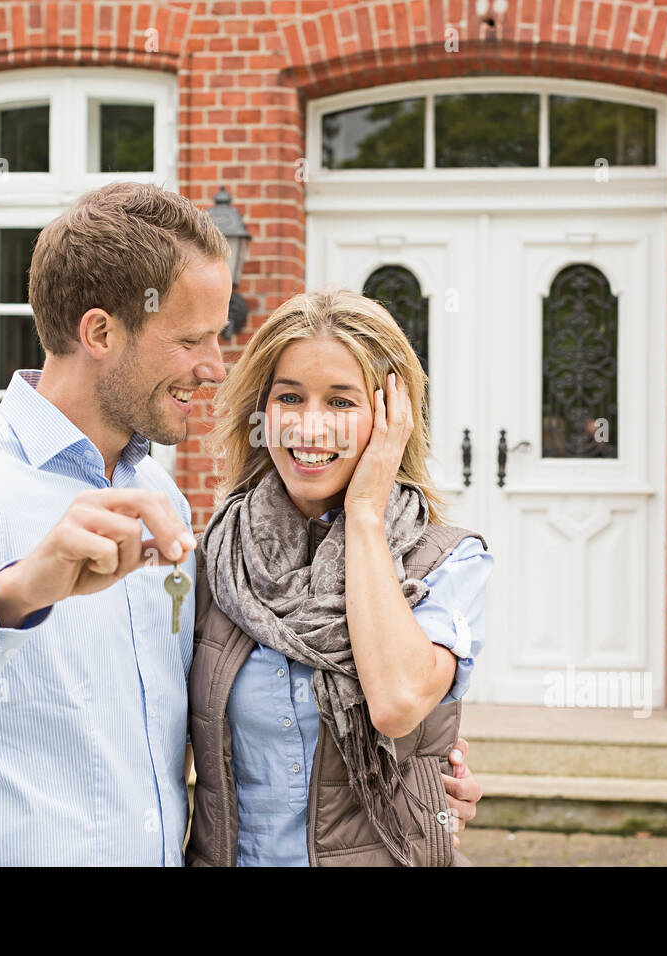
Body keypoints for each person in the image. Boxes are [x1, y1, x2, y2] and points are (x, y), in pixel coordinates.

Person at [0, 182, 482, 865]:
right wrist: (17, 593)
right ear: (101, 332)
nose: (214, 367)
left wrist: (419, 776)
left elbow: (225, 716)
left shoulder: (163, 497)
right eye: (191, 339)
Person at [187, 290, 493, 866]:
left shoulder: (449, 563)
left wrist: (366, 514)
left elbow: (397, 703)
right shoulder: (217, 561)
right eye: (290, 397)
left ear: (391, 417)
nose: (311, 426)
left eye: (342, 403)